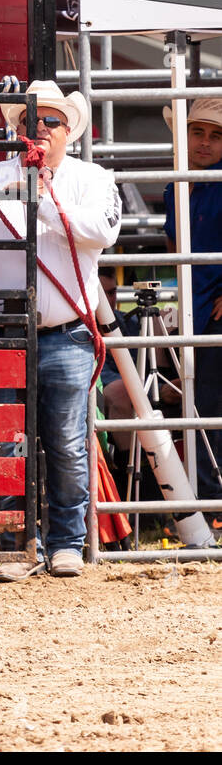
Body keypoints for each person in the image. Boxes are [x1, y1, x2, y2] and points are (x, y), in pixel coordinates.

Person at [0, 80, 122, 581]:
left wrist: (42, 198)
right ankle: (17, 540)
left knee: (66, 442)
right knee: (3, 442)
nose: (39, 129)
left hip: (65, 331)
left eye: (51, 121)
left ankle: (64, 544)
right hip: (4, 329)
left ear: (68, 131)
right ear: (15, 128)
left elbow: (102, 231)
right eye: (30, 121)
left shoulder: (92, 178)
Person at [162, 97, 222, 523]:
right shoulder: (176, 187)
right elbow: (173, 246)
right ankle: (212, 503)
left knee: (211, 405)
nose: (205, 142)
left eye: (217, 135)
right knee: (204, 404)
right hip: (197, 308)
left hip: (212, 307)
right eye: (198, 132)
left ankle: (214, 503)